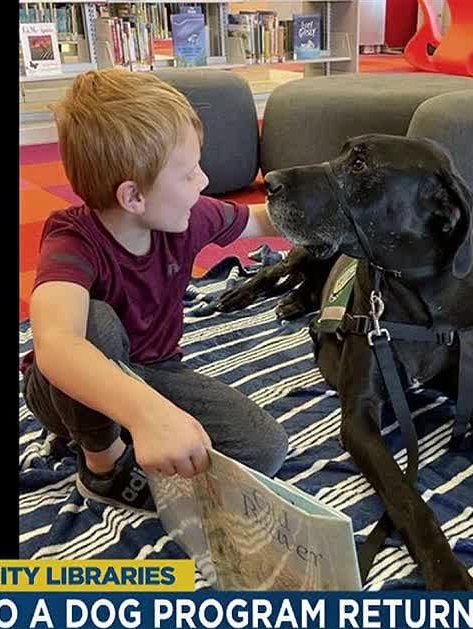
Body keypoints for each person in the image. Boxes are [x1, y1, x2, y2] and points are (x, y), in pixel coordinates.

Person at [21, 69, 289, 513]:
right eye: (188, 174)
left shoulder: (186, 217)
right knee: (92, 322)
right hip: (63, 391)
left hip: (154, 370)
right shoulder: (72, 239)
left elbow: (262, 219)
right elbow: (55, 345)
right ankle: (103, 467)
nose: (203, 182)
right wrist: (150, 414)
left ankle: (129, 429)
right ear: (133, 197)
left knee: (265, 449)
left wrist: (336, 210)